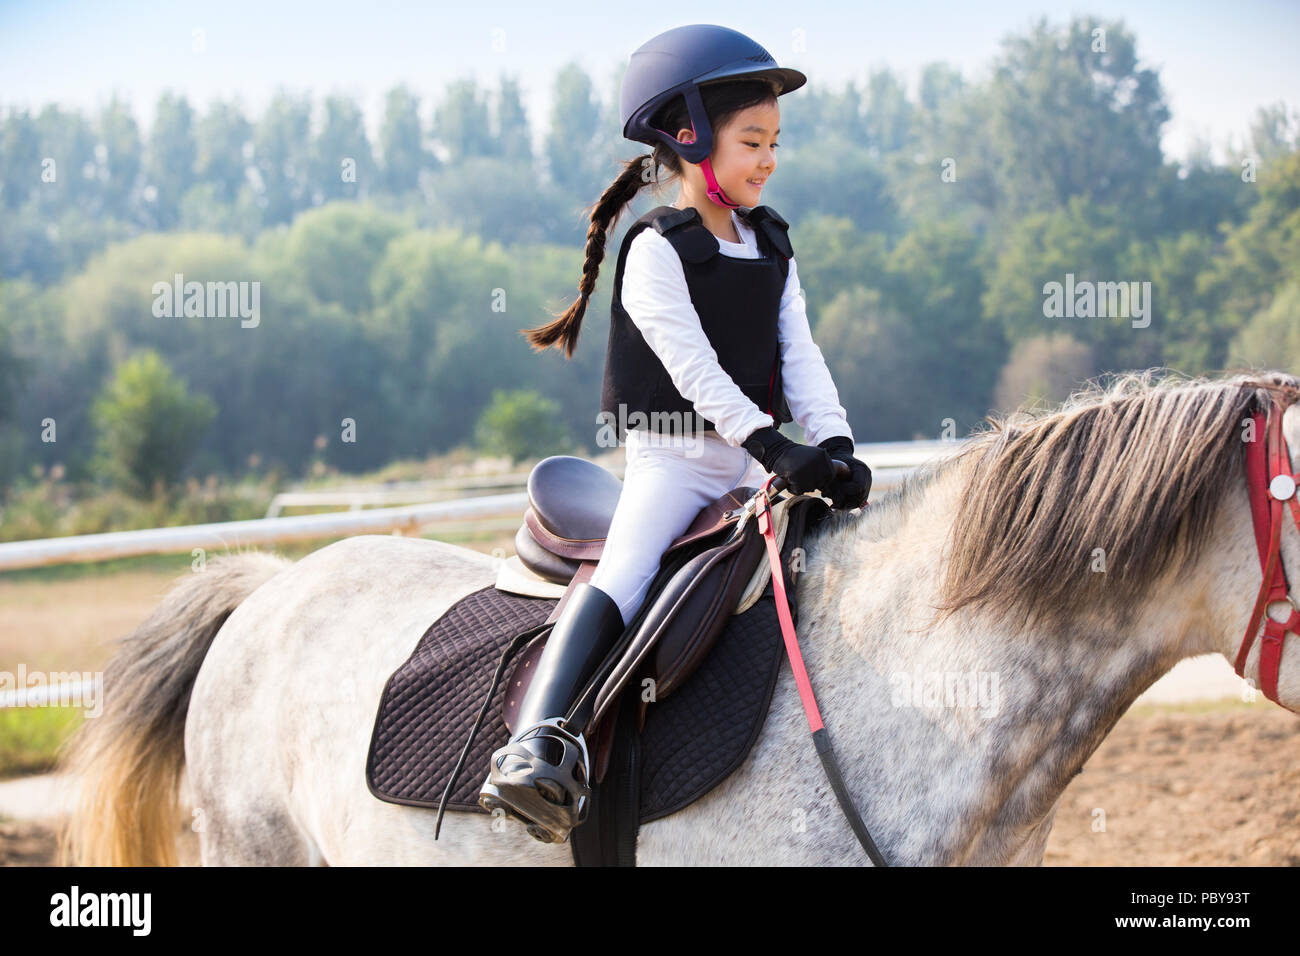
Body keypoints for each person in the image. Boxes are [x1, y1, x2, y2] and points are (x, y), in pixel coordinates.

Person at [478, 23, 872, 844]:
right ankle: (536, 744)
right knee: (624, 573)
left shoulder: (771, 241)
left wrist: (834, 444)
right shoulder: (657, 249)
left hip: (746, 466)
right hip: (672, 462)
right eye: (753, 141)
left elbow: (800, 351)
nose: (768, 159)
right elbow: (696, 373)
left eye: (775, 143)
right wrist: (773, 446)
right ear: (690, 139)